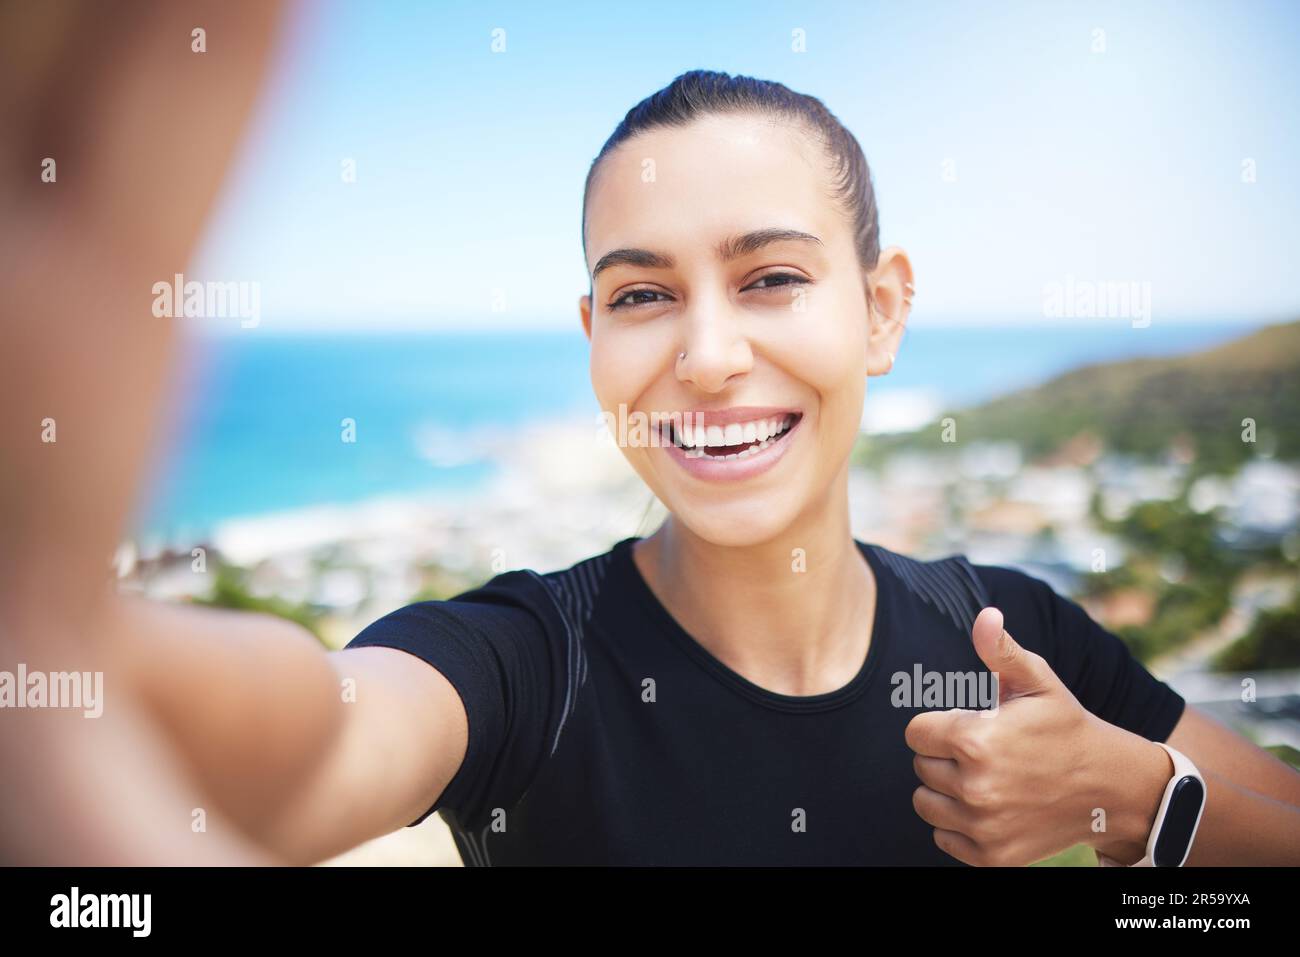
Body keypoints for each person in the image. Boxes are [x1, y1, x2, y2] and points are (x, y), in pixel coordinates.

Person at [4, 53, 1297, 866]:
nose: (709, 353)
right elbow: (305, 741)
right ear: (592, 337)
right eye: (641, 296)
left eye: (772, 276)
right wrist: (57, 641)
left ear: (884, 310)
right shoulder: (525, 665)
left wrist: (1141, 800)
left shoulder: (1010, 637)